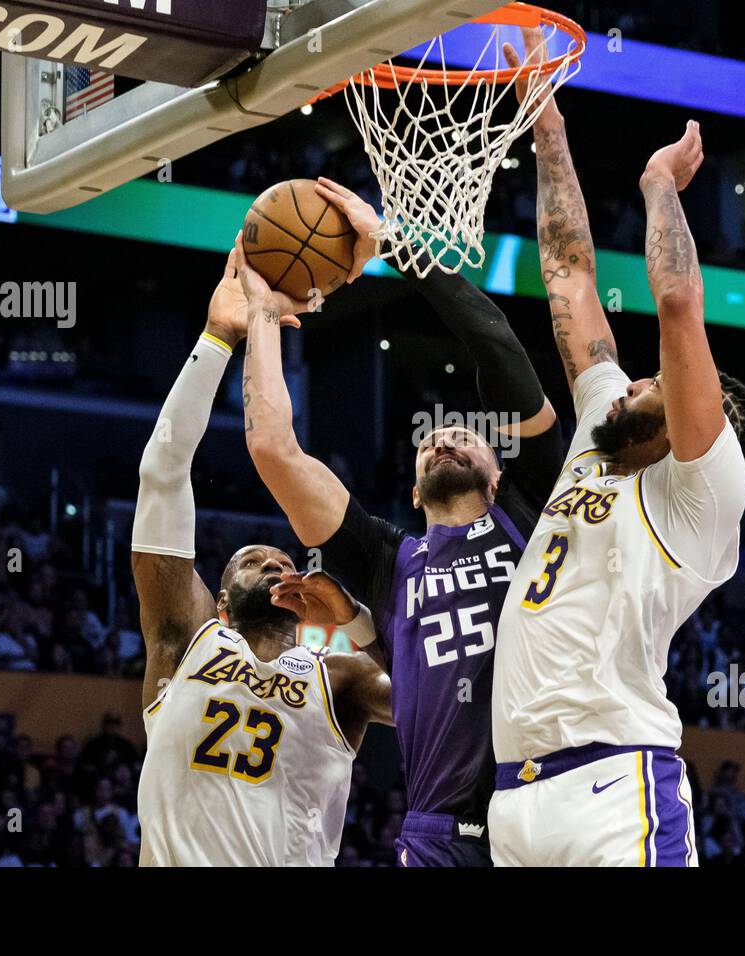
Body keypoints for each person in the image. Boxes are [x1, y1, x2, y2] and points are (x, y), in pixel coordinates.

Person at [488, 34, 745, 867]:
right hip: (515, 796)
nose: (632, 377)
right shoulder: (603, 429)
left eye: (655, 382)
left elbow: (676, 303)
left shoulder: (700, 492)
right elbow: (569, 273)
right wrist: (548, 129)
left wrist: (657, 184)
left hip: (615, 782)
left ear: (691, 421)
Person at [239, 178, 565, 867]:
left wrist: (397, 244)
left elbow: (494, 343)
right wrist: (262, 318)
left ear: (498, 473)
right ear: (414, 494)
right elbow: (273, 450)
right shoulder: (389, 561)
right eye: (430, 441)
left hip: (544, 817)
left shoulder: (531, 509)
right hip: (439, 834)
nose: (444, 438)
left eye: (466, 435)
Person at [131, 251, 391, 866]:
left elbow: (441, 698)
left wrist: (354, 619)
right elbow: (162, 473)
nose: (274, 562)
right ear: (219, 601)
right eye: (251, 560)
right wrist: (217, 338)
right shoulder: (185, 642)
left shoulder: (341, 677)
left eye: (282, 559)